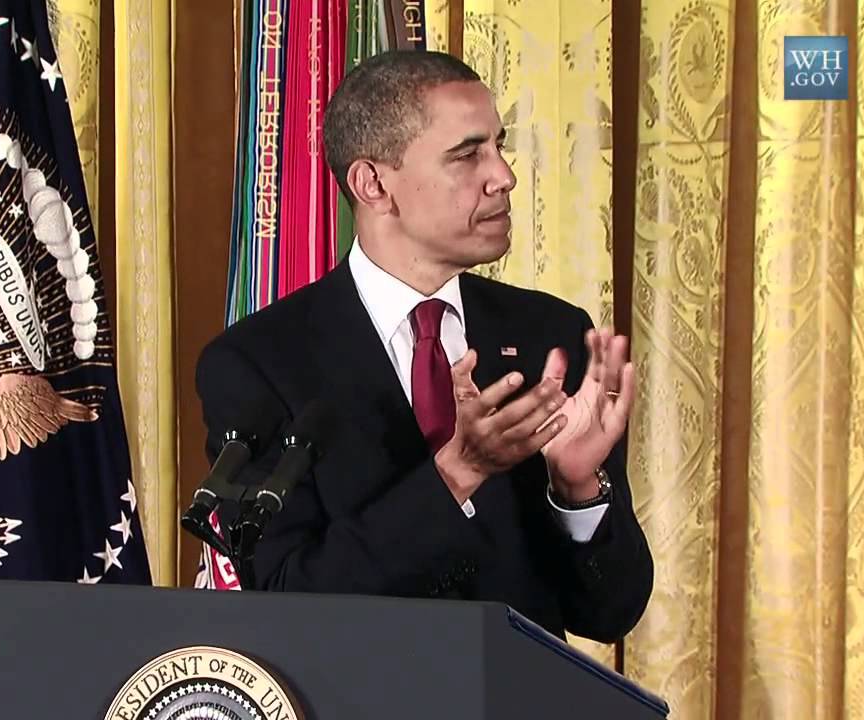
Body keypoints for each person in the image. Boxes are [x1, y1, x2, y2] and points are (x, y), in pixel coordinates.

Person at [195, 50, 652, 642]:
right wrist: (457, 474)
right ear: (374, 183)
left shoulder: (550, 336)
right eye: (468, 155)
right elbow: (283, 600)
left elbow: (610, 613)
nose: (505, 175)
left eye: (499, 145)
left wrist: (577, 490)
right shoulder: (260, 363)